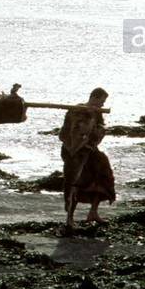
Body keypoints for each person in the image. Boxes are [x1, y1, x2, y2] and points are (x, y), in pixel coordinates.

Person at [59, 87, 115, 234]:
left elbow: (98, 130)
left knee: (103, 175)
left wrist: (98, 128)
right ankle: (69, 218)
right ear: (94, 98)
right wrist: (88, 118)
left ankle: (93, 212)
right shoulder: (76, 110)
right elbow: (68, 131)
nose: (102, 105)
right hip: (73, 151)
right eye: (101, 101)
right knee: (74, 182)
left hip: (90, 150)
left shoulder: (97, 113)